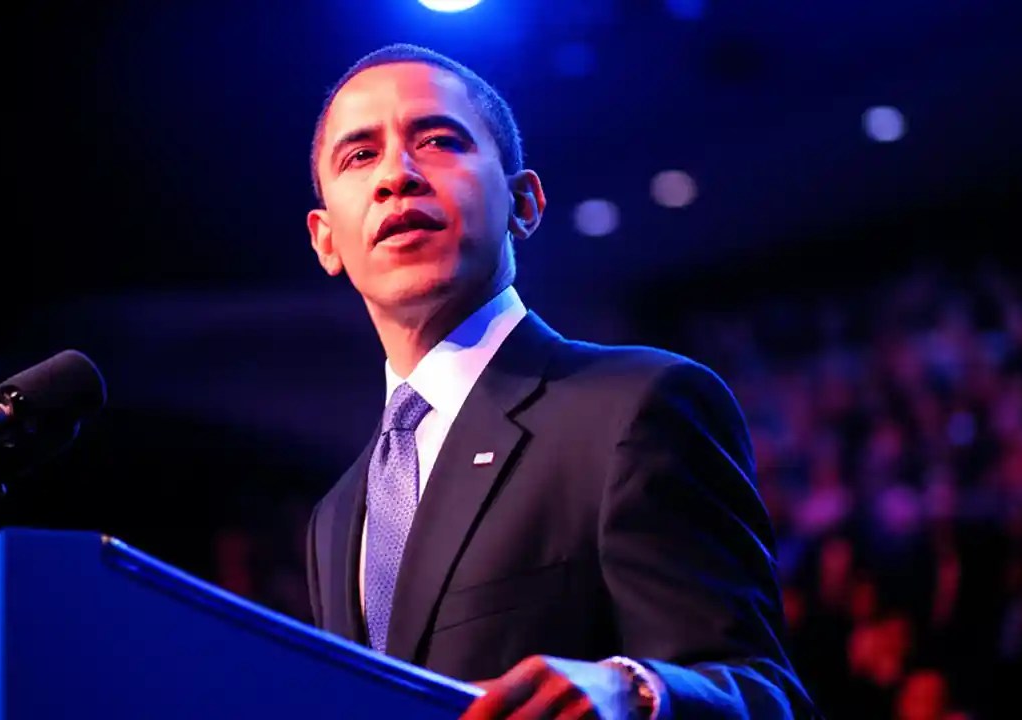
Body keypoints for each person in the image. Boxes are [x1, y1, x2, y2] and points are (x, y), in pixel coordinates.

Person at [302, 43, 818, 719]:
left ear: (524, 202)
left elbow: (767, 695)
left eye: (437, 141)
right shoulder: (336, 514)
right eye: (360, 155)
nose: (396, 175)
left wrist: (636, 692)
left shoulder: (637, 407)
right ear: (326, 240)